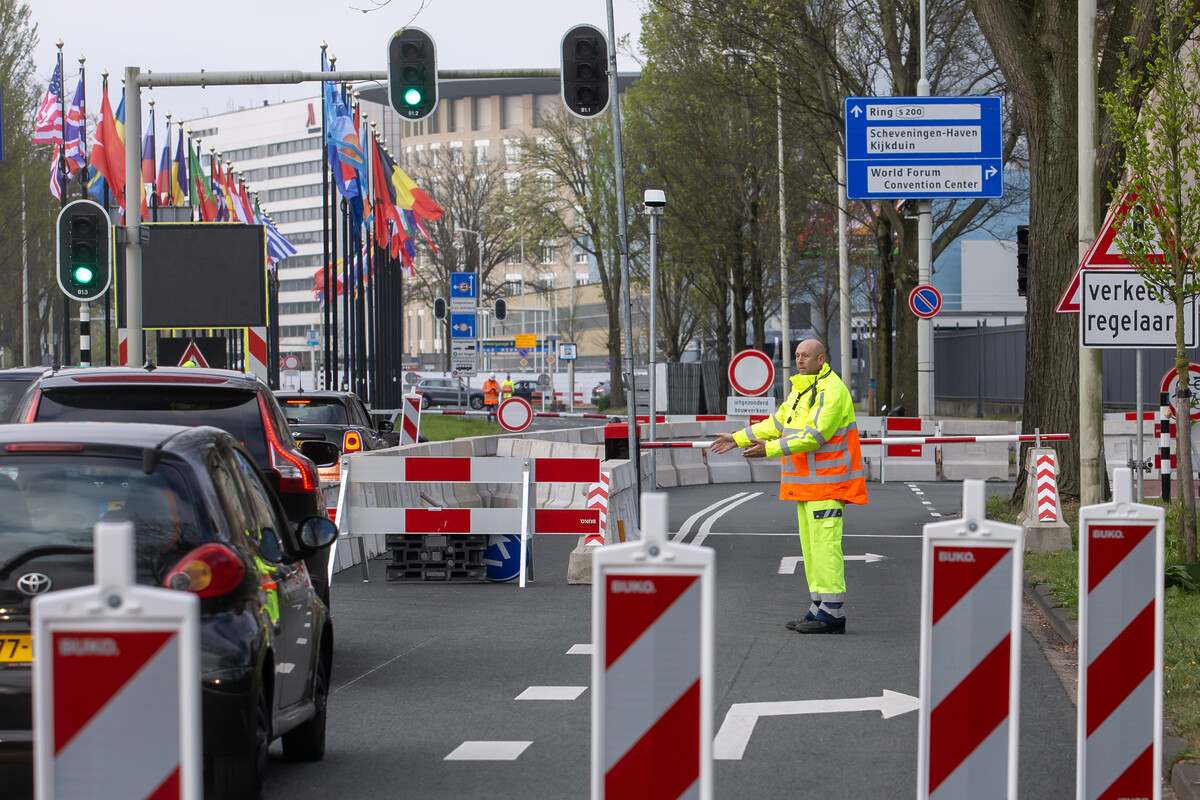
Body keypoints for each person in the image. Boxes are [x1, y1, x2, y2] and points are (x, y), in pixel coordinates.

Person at [711, 339, 867, 634]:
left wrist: (768, 450)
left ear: (822, 358)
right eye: (796, 355)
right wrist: (738, 437)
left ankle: (833, 613)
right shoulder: (802, 389)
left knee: (825, 548)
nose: (799, 360)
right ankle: (819, 606)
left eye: (805, 355)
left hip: (827, 486)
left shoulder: (831, 390)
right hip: (808, 486)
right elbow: (776, 423)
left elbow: (815, 436)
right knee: (812, 550)